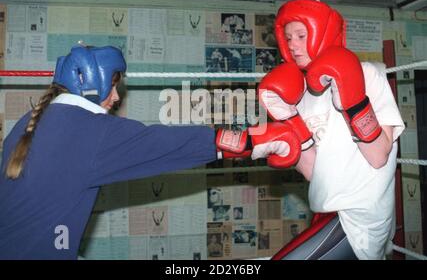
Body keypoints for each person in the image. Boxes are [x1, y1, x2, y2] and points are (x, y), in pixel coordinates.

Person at [0, 44, 302, 260]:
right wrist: (261, 139)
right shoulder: (90, 131)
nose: (117, 97)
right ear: (91, 82)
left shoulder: (27, 124)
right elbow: (170, 144)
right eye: (114, 86)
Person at [259, 0, 405, 260]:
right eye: (288, 37)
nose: (292, 45)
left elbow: (379, 154)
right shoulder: (300, 94)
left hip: (361, 216)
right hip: (325, 209)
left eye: (301, 36)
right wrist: (289, 122)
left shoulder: (368, 74)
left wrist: (353, 100)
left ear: (321, 33)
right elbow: (315, 173)